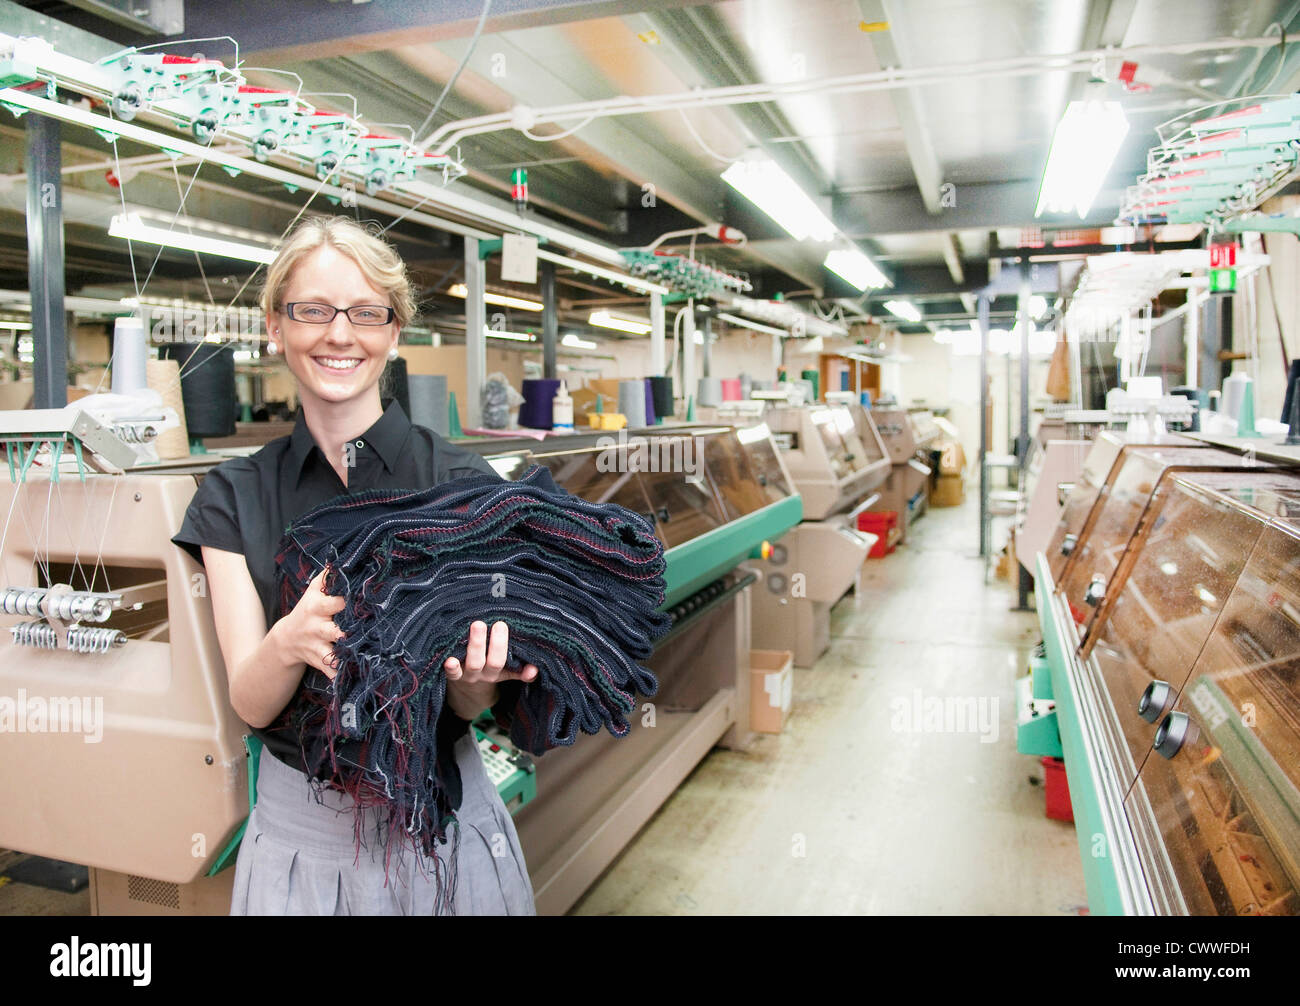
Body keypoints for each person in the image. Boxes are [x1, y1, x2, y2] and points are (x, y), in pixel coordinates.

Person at [173, 215, 537, 915]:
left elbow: (471, 707)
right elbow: (250, 704)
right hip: (302, 847)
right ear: (275, 327)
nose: (340, 334)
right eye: (312, 311)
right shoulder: (234, 497)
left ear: (393, 333)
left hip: (443, 829)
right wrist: (291, 640)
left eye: (367, 312)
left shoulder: (466, 485)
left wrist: (475, 683)